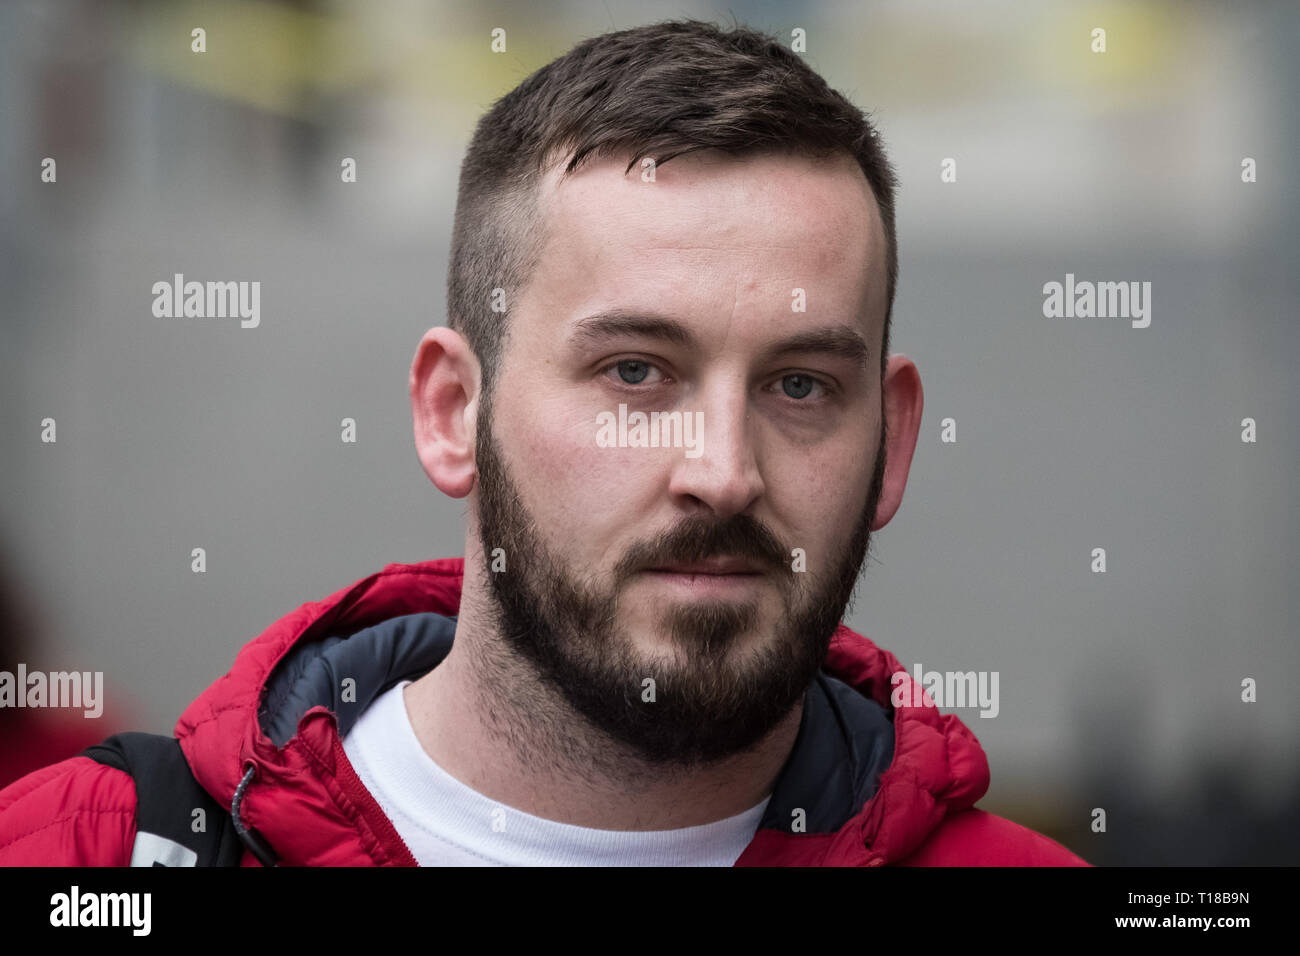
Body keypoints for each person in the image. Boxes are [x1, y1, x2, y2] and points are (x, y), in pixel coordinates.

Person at [0, 18, 1087, 866]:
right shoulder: (78, 853)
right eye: (634, 372)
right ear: (449, 412)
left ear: (890, 444)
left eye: (799, 384)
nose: (720, 470)